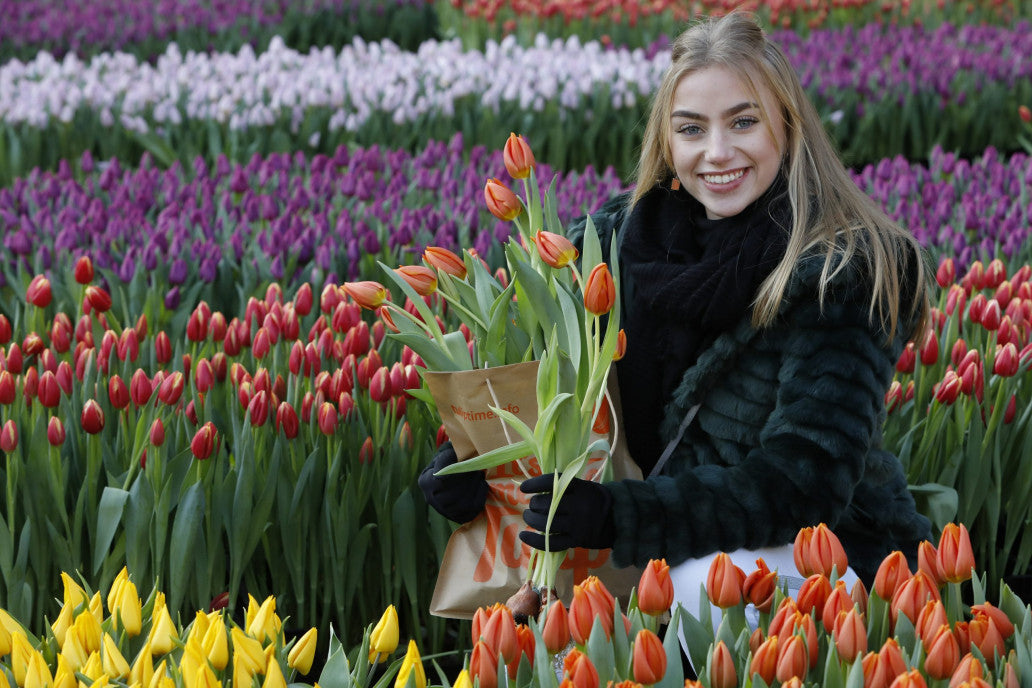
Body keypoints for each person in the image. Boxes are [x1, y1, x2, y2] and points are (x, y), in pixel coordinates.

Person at [419, 11, 933, 597]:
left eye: (743, 122)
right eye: (691, 129)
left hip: (812, 557)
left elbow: (803, 480)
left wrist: (621, 517)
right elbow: (531, 381)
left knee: (706, 585)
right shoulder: (613, 242)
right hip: (635, 549)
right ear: (666, 139)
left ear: (787, 127)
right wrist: (466, 465)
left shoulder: (838, 272)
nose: (717, 151)